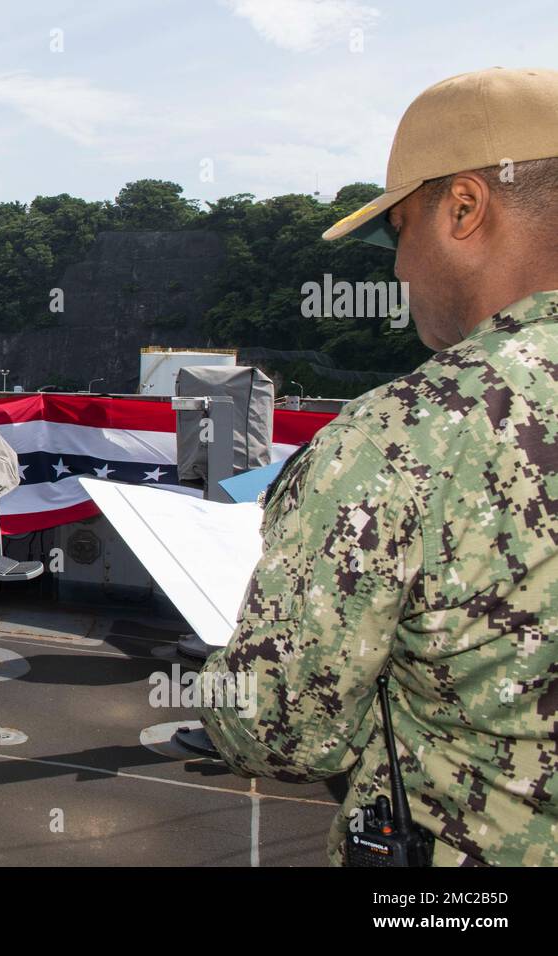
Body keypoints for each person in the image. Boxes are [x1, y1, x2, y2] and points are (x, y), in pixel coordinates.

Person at [199, 68, 558, 866]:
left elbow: (279, 729)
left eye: (400, 231)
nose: (398, 270)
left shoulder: (400, 437)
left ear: (463, 207)